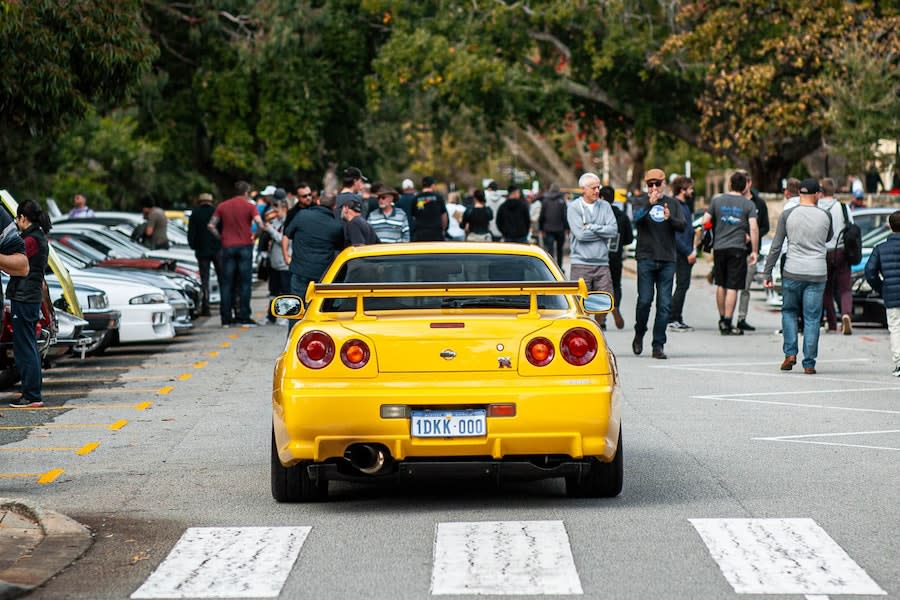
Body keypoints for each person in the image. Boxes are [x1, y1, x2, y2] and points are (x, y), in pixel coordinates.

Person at [762, 178, 833, 375]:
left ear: (800, 193)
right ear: (817, 194)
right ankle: (809, 362)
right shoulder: (825, 215)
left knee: (789, 312)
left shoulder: (787, 214)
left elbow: (776, 246)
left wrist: (767, 272)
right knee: (812, 318)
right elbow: (828, 237)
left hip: (792, 270)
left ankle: (790, 353)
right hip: (817, 272)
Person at [631, 168, 686, 359]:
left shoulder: (673, 203)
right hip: (646, 257)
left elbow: (682, 226)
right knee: (645, 301)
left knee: (664, 305)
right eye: (650, 184)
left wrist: (670, 219)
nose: (654, 187)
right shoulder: (640, 201)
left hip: (667, 259)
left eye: (657, 184)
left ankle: (658, 345)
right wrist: (649, 204)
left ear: (664, 184)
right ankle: (639, 333)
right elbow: (635, 219)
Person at [702, 171, 759, 335]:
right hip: (738, 248)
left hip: (719, 247)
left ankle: (721, 319)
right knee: (732, 286)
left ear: (730, 184)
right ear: (745, 186)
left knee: (720, 284)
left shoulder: (717, 200)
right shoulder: (748, 204)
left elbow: (705, 221)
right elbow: (754, 228)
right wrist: (754, 251)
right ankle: (728, 322)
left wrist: (715, 231)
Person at [8, 200, 50, 408]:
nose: (17, 223)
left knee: (24, 346)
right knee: (29, 344)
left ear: (23, 218)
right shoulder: (38, 237)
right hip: (30, 296)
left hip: (24, 297)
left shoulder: (30, 240)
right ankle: (32, 391)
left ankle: (31, 394)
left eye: (17, 218)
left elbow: (15, 262)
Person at [208, 181, 263, 328]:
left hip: (228, 246)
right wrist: (255, 237)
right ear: (246, 192)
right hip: (245, 246)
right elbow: (260, 224)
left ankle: (226, 318)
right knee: (245, 283)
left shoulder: (223, 206)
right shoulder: (250, 206)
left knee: (226, 283)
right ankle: (243, 316)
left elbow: (211, 225)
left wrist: (221, 238)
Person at [567, 173, 619, 328]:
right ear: (583, 189)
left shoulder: (605, 206)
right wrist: (602, 231)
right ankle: (583, 330)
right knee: (579, 304)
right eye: (593, 188)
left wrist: (591, 227)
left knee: (605, 300)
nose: (597, 191)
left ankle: (598, 326)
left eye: (598, 187)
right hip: (580, 263)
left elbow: (613, 231)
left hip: (602, 263)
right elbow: (580, 235)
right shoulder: (574, 207)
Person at [282, 193, 345, 299]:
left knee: (298, 305)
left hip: (300, 270)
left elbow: (286, 235)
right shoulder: (337, 226)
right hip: (322, 274)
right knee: (318, 305)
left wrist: (286, 256)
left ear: (318, 201)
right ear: (334, 206)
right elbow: (339, 249)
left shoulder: (302, 215)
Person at [864, 210, 900, 377]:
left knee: (895, 329)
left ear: (890, 227)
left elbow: (870, 272)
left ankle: (899, 363)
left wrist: (881, 287)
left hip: (891, 294)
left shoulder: (880, 248)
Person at [818, 177, 854, 335]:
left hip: (823, 252)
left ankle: (832, 323)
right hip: (841, 251)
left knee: (826, 289)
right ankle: (846, 314)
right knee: (845, 288)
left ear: (821, 190)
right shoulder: (843, 207)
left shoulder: (817, 207)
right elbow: (851, 226)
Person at [735, 171, 769, 331]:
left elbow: (765, 226)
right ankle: (727, 316)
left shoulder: (759, 204)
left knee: (746, 287)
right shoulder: (734, 201)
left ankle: (741, 318)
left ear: (749, 183)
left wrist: (752, 236)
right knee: (731, 286)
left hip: (751, 251)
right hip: (735, 248)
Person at [600, 185, 633, 329]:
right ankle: (615, 306)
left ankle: (601, 319)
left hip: (599, 256)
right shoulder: (622, 216)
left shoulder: (597, 215)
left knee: (600, 286)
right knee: (615, 285)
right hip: (616, 256)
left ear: (601, 198)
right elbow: (629, 239)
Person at [668, 176, 698, 332]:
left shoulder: (685, 205)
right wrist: (688, 252)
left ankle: (677, 317)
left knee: (683, 286)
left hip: (686, 250)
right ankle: (672, 318)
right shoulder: (676, 206)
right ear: (682, 189)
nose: (692, 191)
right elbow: (676, 234)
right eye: (690, 188)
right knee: (681, 285)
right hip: (680, 252)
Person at [187, 192, 222, 317]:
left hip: (202, 250)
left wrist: (193, 245)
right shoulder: (216, 212)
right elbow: (221, 229)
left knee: (204, 279)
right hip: (217, 249)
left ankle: (206, 306)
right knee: (222, 278)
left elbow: (191, 232)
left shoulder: (195, 213)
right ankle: (225, 305)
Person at [262, 198, 291, 323]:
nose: (275, 213)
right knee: (273, 291)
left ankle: (287, 316)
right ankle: (271, 316)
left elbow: (283, 240)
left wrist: (271, 230)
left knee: (286, 291)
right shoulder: (275, 222)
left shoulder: (289, 223)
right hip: (274, 263)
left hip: (284, 263)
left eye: (277, 210)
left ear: (284, 209)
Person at [538, 183, 568, 266]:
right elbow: (564, 216)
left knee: (550, 250)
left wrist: (541, 228)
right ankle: (559, 267)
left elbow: (542, 216)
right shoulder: (562, 201)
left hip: (548, 229)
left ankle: (551, 266)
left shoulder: (545, 200)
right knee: (559, 250)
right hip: (560, 229)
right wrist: (566, 228)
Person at [413, 176, 448, 241]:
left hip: (420, 234)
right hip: (436, 234)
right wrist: (443, 229)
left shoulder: (415, 198)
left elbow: (413, 217)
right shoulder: (438, 198)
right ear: (432, 185)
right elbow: (444, 216)